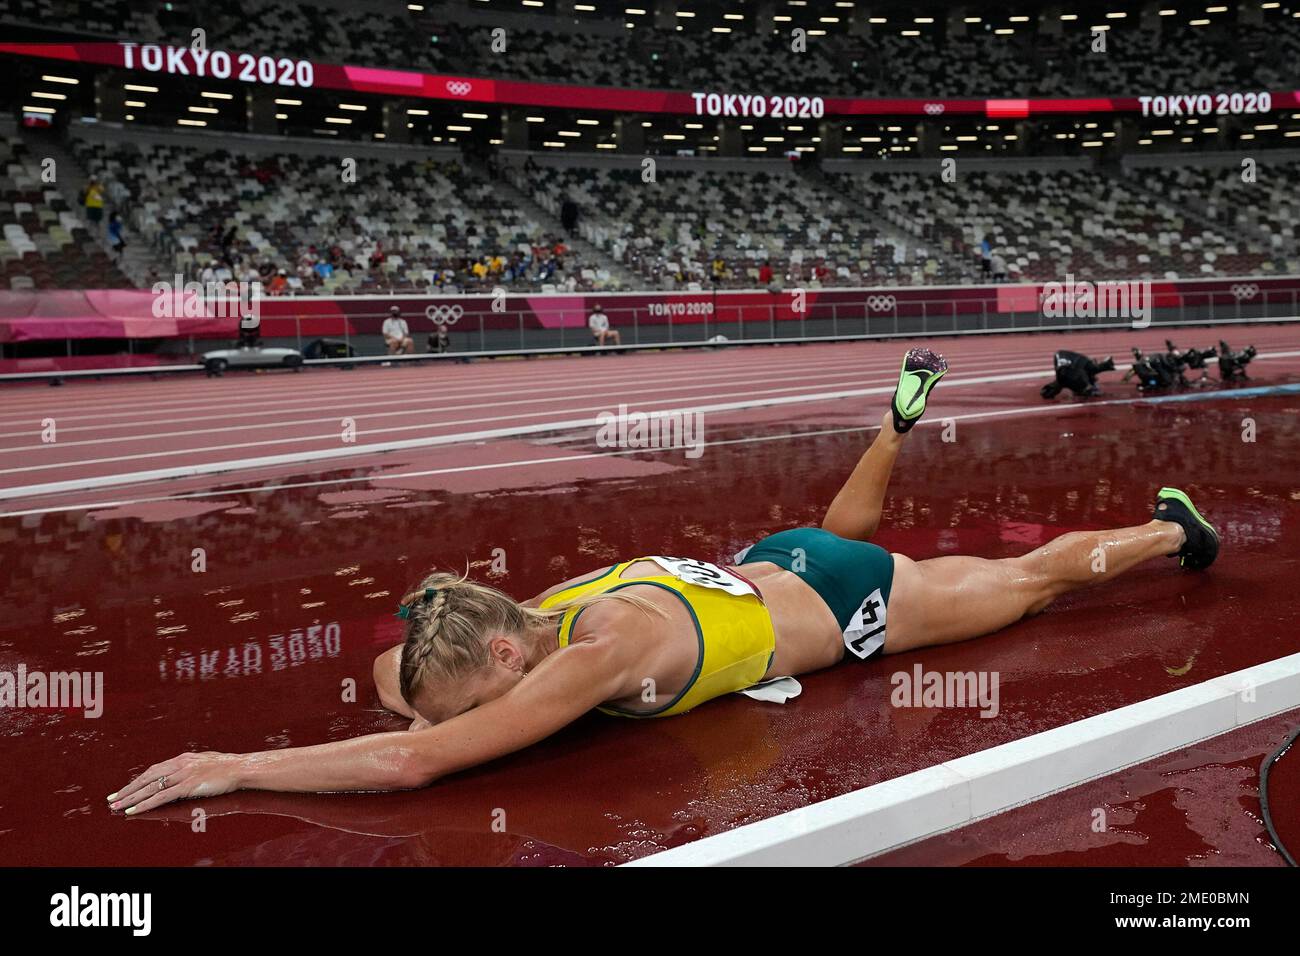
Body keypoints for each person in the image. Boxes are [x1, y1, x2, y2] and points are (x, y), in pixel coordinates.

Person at [107, 349, 1220, 812]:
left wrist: (233, 763)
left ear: (509, 657)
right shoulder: (514, 612)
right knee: (848, 531)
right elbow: (386, 670)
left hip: (845, 603)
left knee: (1023, 583)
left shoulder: (593, 653)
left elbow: (414, 752)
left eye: (492, 698)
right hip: (780, 552)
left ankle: (1167, 532)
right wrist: (411, 686)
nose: (507, 720)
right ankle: (892, 425)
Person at [1041, 351, 1116, 399]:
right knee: (1087, 370)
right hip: (1069, 366)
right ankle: (1105, 365)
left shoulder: (1068, 378)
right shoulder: (1068, 379)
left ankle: (1105, 365)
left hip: (1069, 367)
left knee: (1088, 370)